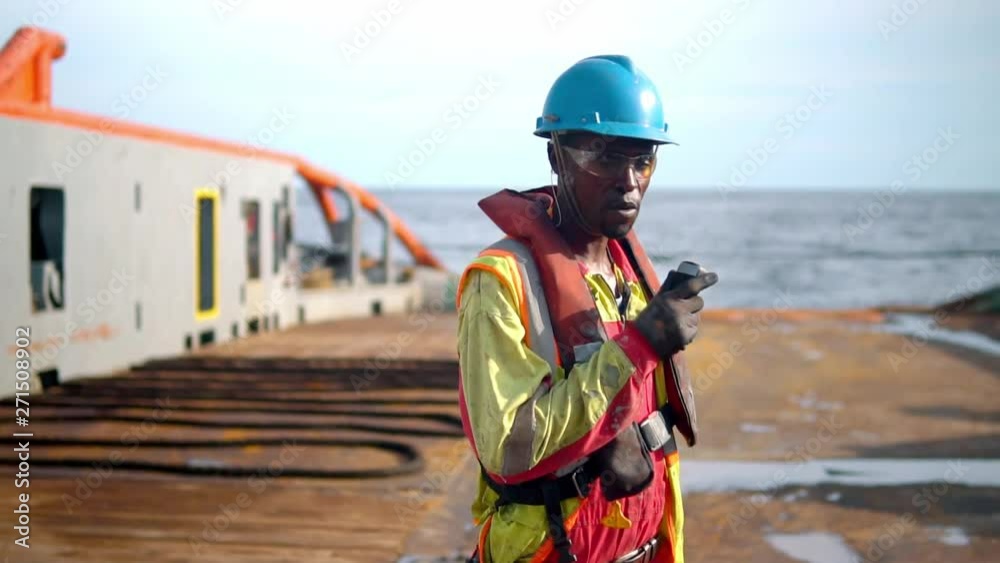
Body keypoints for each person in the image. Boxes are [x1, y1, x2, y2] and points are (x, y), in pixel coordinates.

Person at [456, 55, 718, 563]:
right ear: (557, 156)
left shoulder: (627, 274)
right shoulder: (502, 282)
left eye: (642, 159)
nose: (629, 180)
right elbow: (510, 446)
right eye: (604, 157)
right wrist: (638, 345)